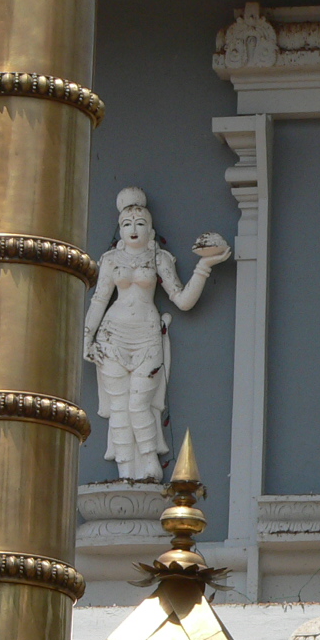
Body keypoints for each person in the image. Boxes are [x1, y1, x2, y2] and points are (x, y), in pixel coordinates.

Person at [84, 187, 229, 480]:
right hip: (111, 338)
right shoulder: (111, 260)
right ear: (120, 230)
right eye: (127, 224)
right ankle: (126, 467)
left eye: (140, 224)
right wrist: (86, 338)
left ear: (150, 229)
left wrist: (204, 266)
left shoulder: (158, 258)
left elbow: (183, 300)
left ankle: (149, 460)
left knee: (139, 404)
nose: (133, 229)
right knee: (119, 407)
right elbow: (99, 301)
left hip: (147, 338)